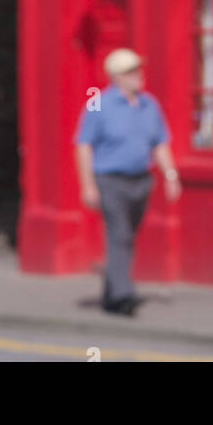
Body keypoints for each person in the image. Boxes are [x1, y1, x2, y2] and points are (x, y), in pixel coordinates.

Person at [75, 48, 181, 315]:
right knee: (119, 234)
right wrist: (87, 185)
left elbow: (160, 144)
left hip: (141, 181)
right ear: (117, 77)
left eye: (138, 70)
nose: (138, 75)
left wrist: (170, 176)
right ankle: (123, 295)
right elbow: (83, 146)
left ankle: (111, 293)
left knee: (126, 236)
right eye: (132, 71)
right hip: (110, 180)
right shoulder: (99, 104)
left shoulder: (149, 105)